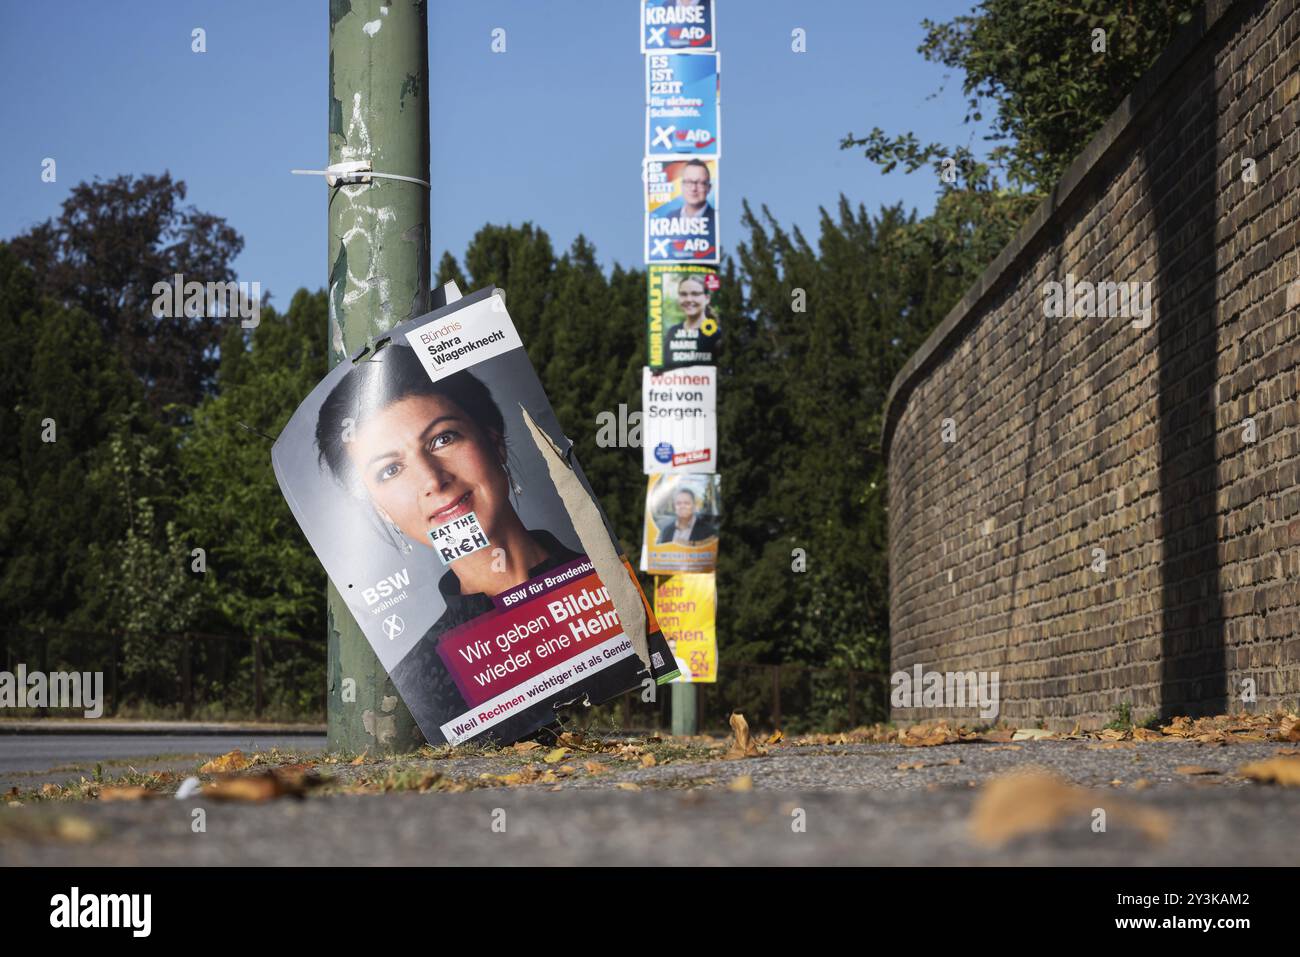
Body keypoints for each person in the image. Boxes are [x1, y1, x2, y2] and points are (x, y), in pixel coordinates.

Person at [315, 344, 581, 730]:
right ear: (381, 509)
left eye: (443, 438)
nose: (432, 480)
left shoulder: (612, 588)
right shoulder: (415, 687)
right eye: (390, 470)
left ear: (494, 442)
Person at [663, 274, 719, 366]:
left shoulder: (716, 334)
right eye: (683, 294)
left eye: (695, 294)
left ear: (707, 299)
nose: (689, 299)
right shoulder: (672, 332)